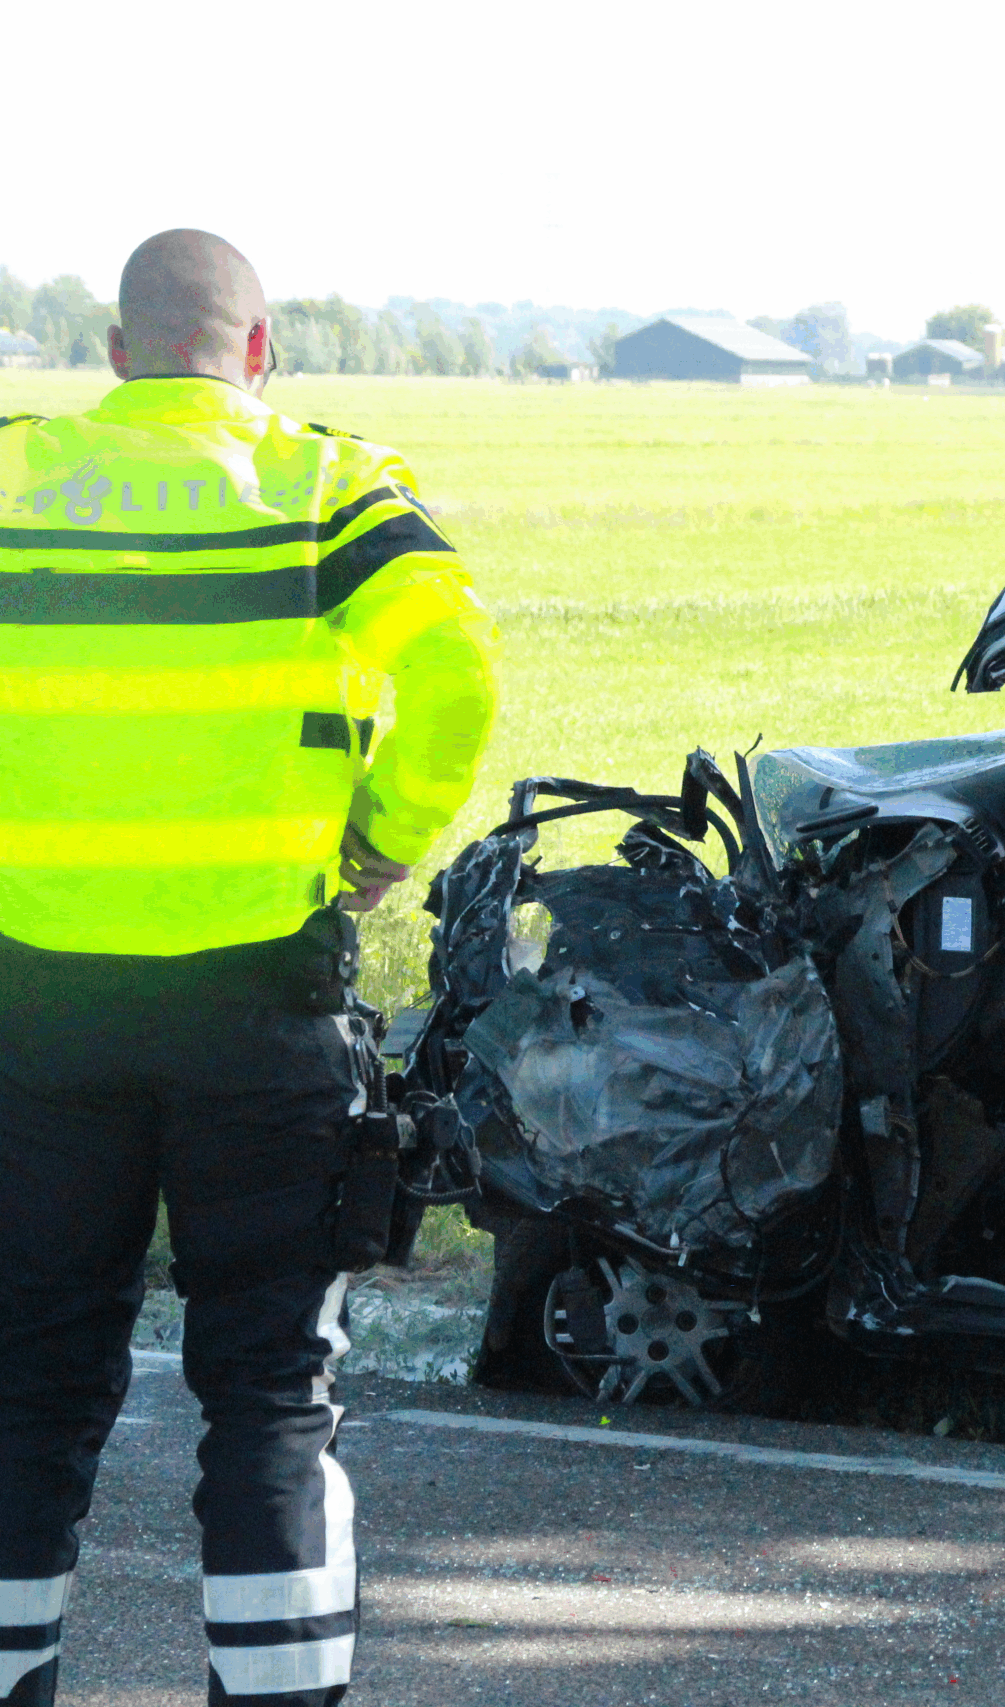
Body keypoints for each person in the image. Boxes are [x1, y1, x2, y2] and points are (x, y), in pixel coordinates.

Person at [0, 230, 499, 1706]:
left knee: (25, 1386)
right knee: (272, 1398)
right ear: (260, 351)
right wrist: (386, 835)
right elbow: (461, 665)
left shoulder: (20, 476)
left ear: (111, 356)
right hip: (263, 1003)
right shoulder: (326, 484)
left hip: (41, 1003)